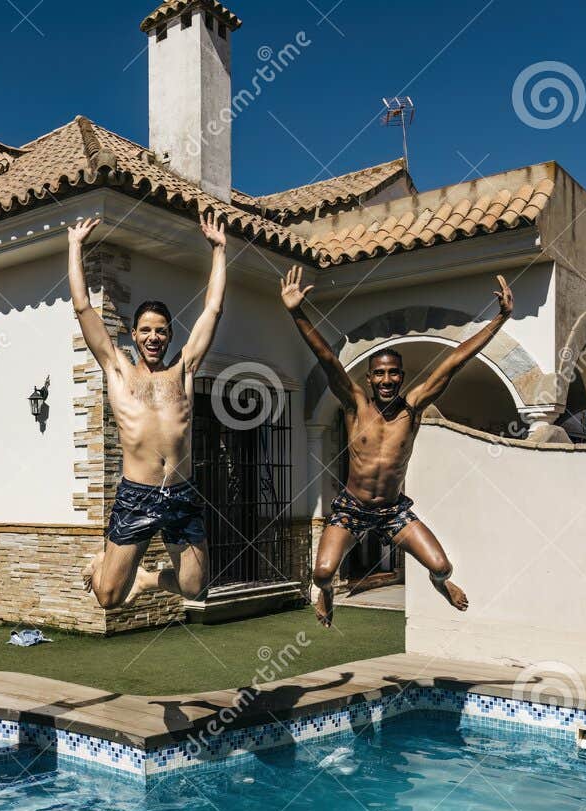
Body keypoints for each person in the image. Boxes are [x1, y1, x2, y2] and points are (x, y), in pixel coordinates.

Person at [279, 265, 514, 626]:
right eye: (380, 373)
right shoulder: (356, 405)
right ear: (370, 378)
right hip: (352, 507)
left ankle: (442, 586)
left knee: (442, 566)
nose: (387, 380)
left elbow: (455, 360)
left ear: (401, 377)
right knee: (322, 574)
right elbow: (326, 357)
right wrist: (296, 312)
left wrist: (499, 319)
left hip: (393, 511)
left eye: (393, 373)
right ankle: (326, 596)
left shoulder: (413, 407)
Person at [68, 209, 226, 608]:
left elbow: (213, 310)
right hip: (136, 495)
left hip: (181, 493)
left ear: (170, 335)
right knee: (107, 597)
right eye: (146, 330)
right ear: (134, 335)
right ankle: (111, 568)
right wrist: (75, 247)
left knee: (194, 588)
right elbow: (84, 308)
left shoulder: (184, 369)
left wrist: (219, 251)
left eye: (161, 330)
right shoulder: (118, 369)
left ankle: (147, 578)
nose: (154, 337)